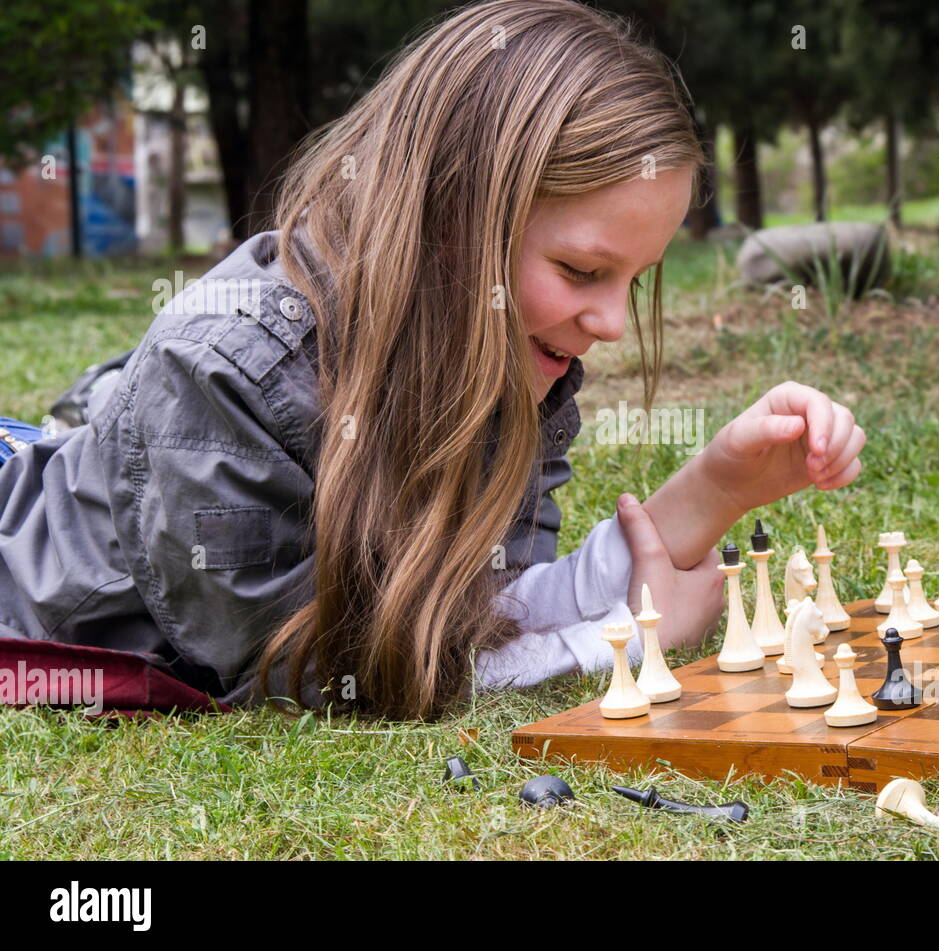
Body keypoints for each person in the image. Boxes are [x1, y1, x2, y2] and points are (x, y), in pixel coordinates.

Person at [0, 0, 865, 720]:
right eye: (582, 270)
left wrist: (712, 491)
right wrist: (625, 644)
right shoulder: (223, 376)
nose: (609, 323)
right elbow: (301, 680)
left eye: (633, 281)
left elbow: (486, 610)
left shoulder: (512, 350)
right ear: (448, 217)